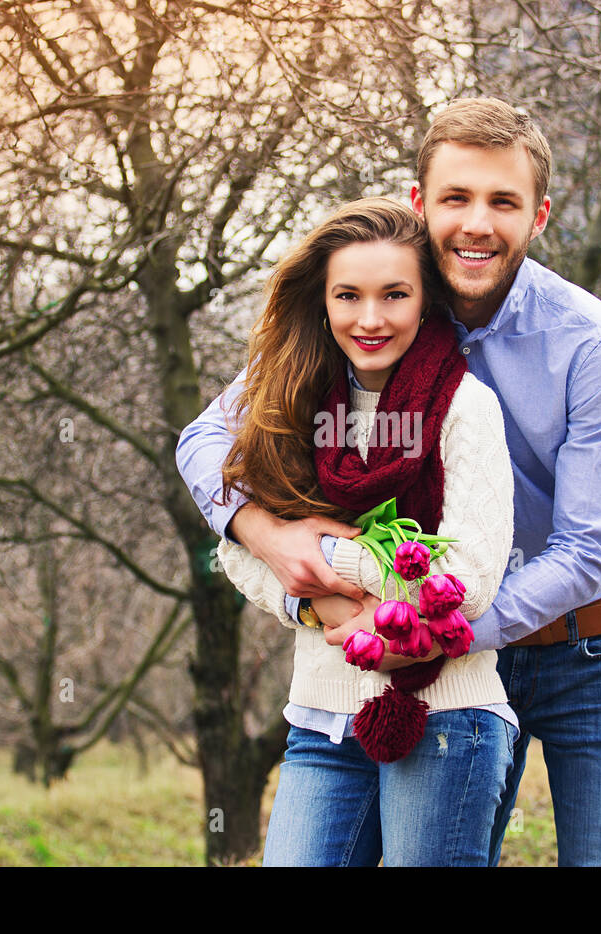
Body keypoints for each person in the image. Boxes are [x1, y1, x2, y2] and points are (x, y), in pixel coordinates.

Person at [178, 98, 601, 866]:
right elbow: (204, 438)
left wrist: (434, 634)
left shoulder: (595, 343)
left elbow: (587, 548)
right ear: (420, 203)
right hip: (436, 647)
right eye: (456, 198)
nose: (477, 224)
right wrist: (264, 532)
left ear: (538, 216)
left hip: (589, 647)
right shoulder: (384, 304)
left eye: (502, 202)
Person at [203, 196, 518, 866]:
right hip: (320, 716)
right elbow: (236, 546)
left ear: (425, 298)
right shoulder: (288, 402)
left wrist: (321, 558)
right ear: (321, 301)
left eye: (394, 295)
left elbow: (467, 580)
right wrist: (312, 604)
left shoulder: (466, 406)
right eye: (348, 296)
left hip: (448, 717)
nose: (369, 319)